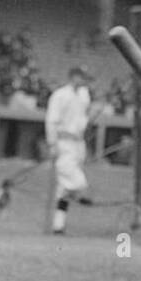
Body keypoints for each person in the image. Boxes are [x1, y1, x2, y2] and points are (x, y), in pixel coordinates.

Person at [45, 66, 92, 234]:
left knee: (64, 189)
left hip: (78, 143)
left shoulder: (83, 95)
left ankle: (58, 224)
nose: (83, 81)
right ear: (73, 77)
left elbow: (83, 117)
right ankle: (82, 194)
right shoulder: (60, 95)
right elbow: (52, 120)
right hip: (64, 142)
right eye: (81, 77)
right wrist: (52, 143)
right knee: (75, 181)